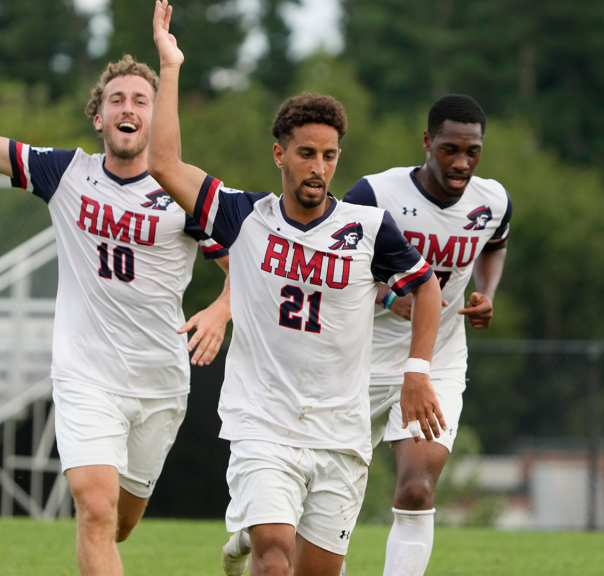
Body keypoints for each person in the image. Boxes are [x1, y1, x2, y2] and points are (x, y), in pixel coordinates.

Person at [0, 2, 233, 573]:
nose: (128, 108)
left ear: (156, 117)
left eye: (140, 100)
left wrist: (222, 310)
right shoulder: (66, 174)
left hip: (158, 380)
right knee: (95, 508)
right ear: (97, 117)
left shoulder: (184, 192)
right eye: (116, 100)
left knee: (121, 522)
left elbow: (244, 268)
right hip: (85, 374)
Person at [149, 4, 443, 575]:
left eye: (329, 156)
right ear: (280, 154)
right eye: (306, 153)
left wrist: (418, 371)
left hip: (341, 433)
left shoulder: (367, 228)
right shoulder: (243, 217)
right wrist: (171, 66)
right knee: (277, 557)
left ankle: (243, 544)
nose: (319, 167)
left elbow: (426, 287)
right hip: (264, 423)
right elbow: (164, 163)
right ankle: (257, 543)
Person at [342, 94, 510, 575]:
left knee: (417, 489)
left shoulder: (493, 200)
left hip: (437, 360)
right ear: (427, 142)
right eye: (449, 150)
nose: (461, 163)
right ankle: (255, 529)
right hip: (359, 358)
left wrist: (486, 292)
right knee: (317, 488)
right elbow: (333, 268)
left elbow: (495, 242)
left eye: (472, 151)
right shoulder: (375, 195)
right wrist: (392, 299)